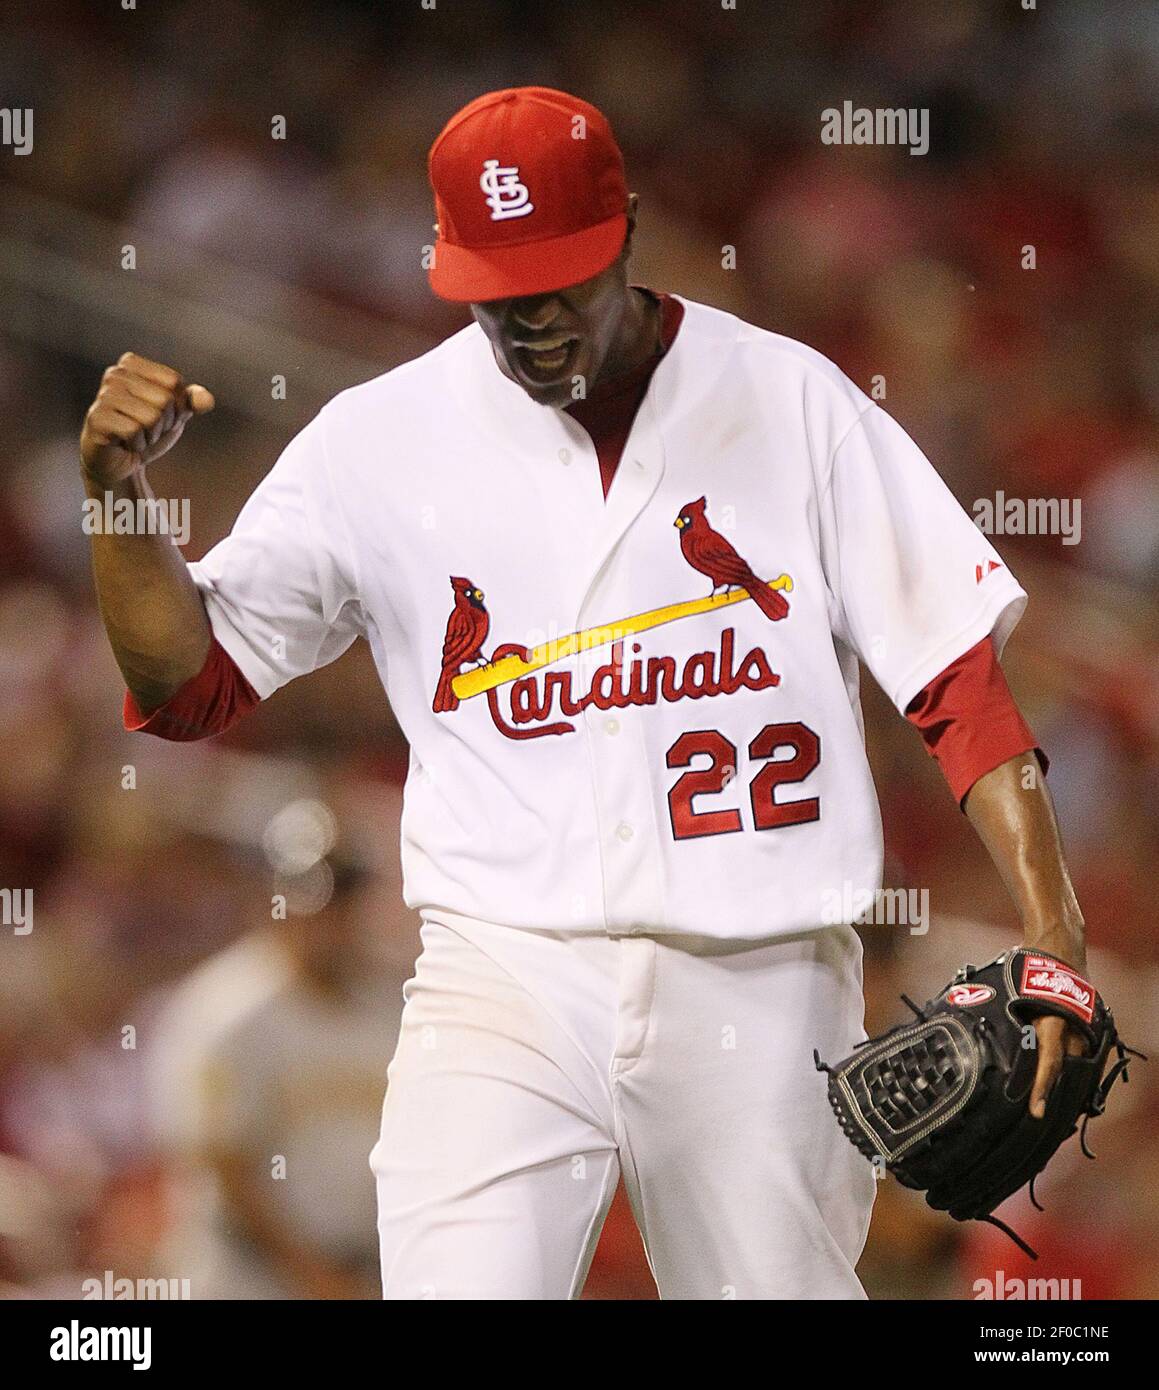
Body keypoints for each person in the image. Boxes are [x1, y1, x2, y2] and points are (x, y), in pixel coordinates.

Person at [79, 86, 1090, 1300]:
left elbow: (955, 682)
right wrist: (120, 503)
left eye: (560, 280)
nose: (534, 321)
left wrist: (1055, 935)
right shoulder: (377, 441)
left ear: (625, 231)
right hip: (501, 966)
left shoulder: (790, 398)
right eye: (499, 293)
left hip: (760, 966)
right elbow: (188, 685)